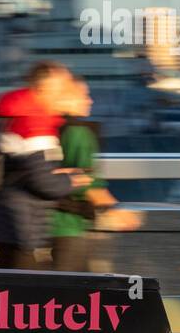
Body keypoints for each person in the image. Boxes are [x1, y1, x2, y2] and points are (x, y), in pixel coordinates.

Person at [0, 61, 91, 270]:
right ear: (45, 90)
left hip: (6, 220)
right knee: (23, 293)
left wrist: (54, 174)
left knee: (3, 288)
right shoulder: (34, 124)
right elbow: (43, 182)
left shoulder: (15, 114)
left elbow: (29, 169)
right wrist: (71, 180)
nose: (67, 91)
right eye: (63, 87)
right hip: (21, 225)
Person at [50, 76, 140, 271]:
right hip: (67, 225)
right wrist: (116, 210)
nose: (89, 100)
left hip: (38, 224)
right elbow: (86, 182)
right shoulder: (78, 132)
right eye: (83, 95)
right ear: (63, 98)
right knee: (71, 295)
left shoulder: (49, 128)